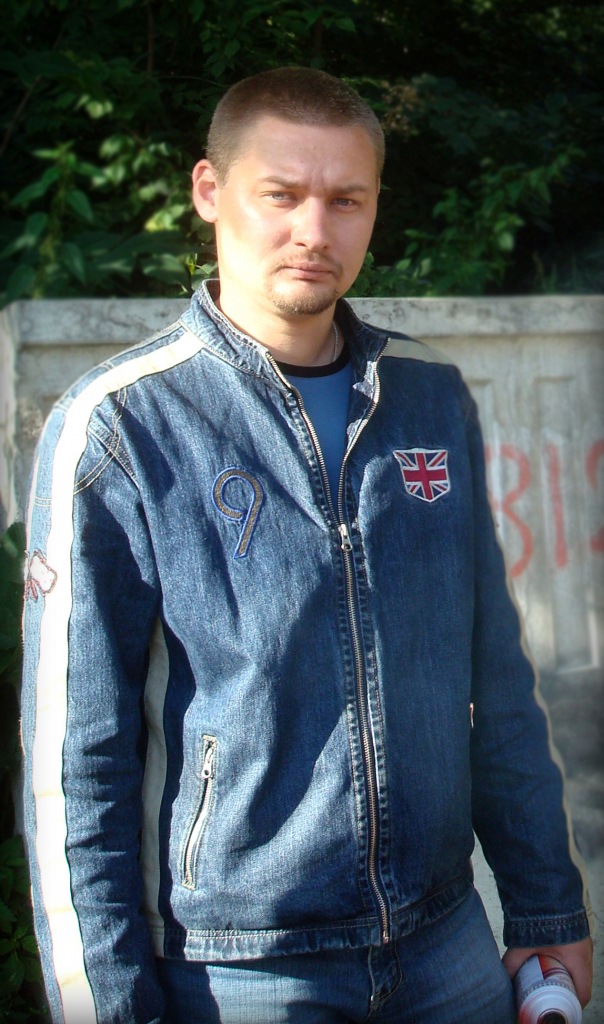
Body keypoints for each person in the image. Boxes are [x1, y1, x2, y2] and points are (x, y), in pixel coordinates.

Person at [21, 66, 593, 1024]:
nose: (315, 232)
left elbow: (495, 680)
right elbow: (77, 761)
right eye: (281, 195)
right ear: (210, 191)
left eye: (346, 200)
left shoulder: (428, 395)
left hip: (446, 948)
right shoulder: (121, 427)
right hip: (240, 973)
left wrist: (545, 904)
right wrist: (105, 1006)